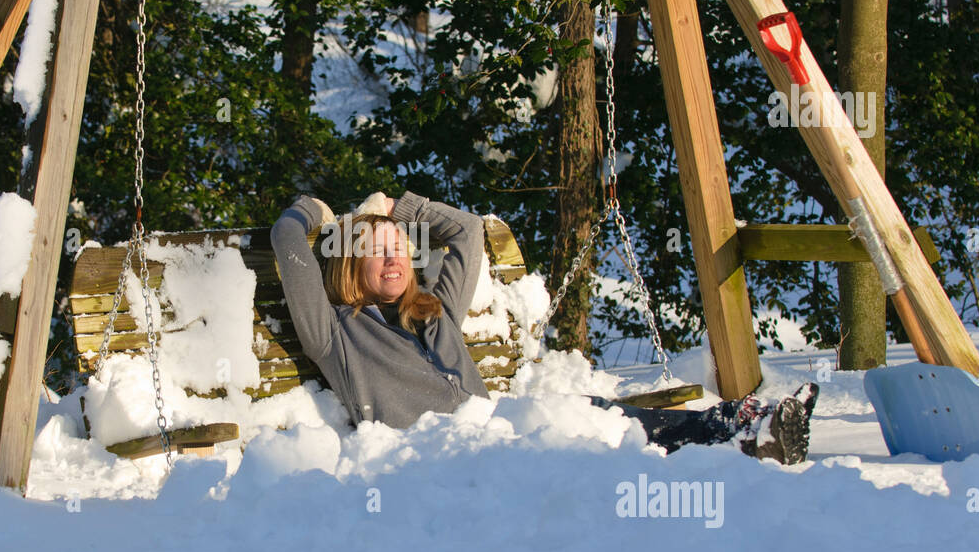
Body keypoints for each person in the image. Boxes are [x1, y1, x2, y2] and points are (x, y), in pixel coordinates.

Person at [270, 191, 818, 464]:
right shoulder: (337, 333)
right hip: (448, 455)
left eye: (399, 249)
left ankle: (737, 427)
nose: (393, 260)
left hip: (498, 426)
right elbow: (286, 239)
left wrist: (399, 207)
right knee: (587, 426)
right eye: (375, 251)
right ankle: (738, 434)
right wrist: (314, 211)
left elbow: (465, 232)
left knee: (592, 413)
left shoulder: (434, 309)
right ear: (348, 263)